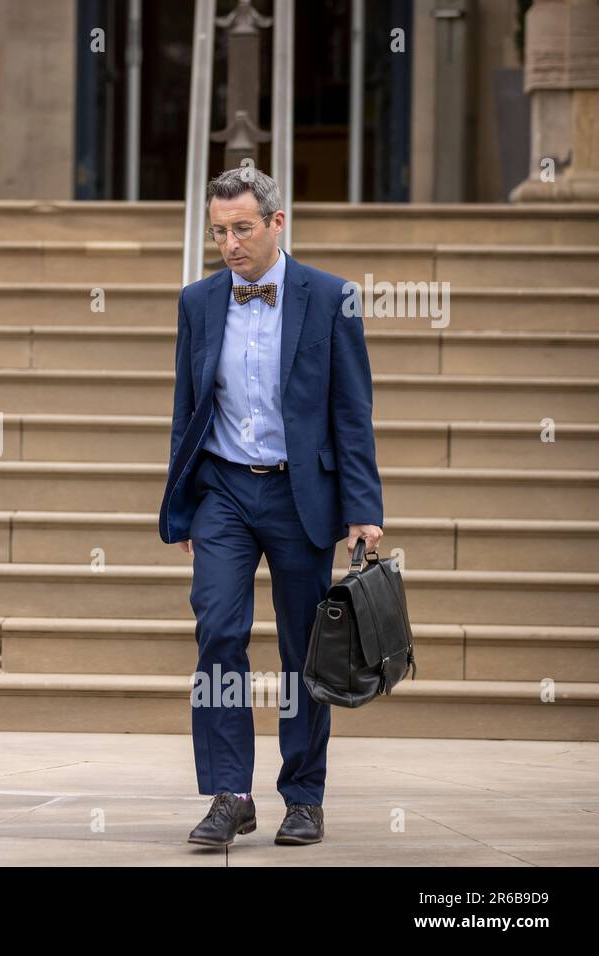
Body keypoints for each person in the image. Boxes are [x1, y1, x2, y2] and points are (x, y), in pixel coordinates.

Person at [159, 166, 384, 847]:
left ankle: (303, 795)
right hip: (223, 490)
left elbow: (353, 410)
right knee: (218, 632)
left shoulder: (330, 297)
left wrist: (363, 506)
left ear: (277, 223)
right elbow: (186, 410)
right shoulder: (198, 302)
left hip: (300, 494)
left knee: (303, 650)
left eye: (242, 229)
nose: (230, 244)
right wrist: (185, 500)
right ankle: (229, 793)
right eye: (219, 231)